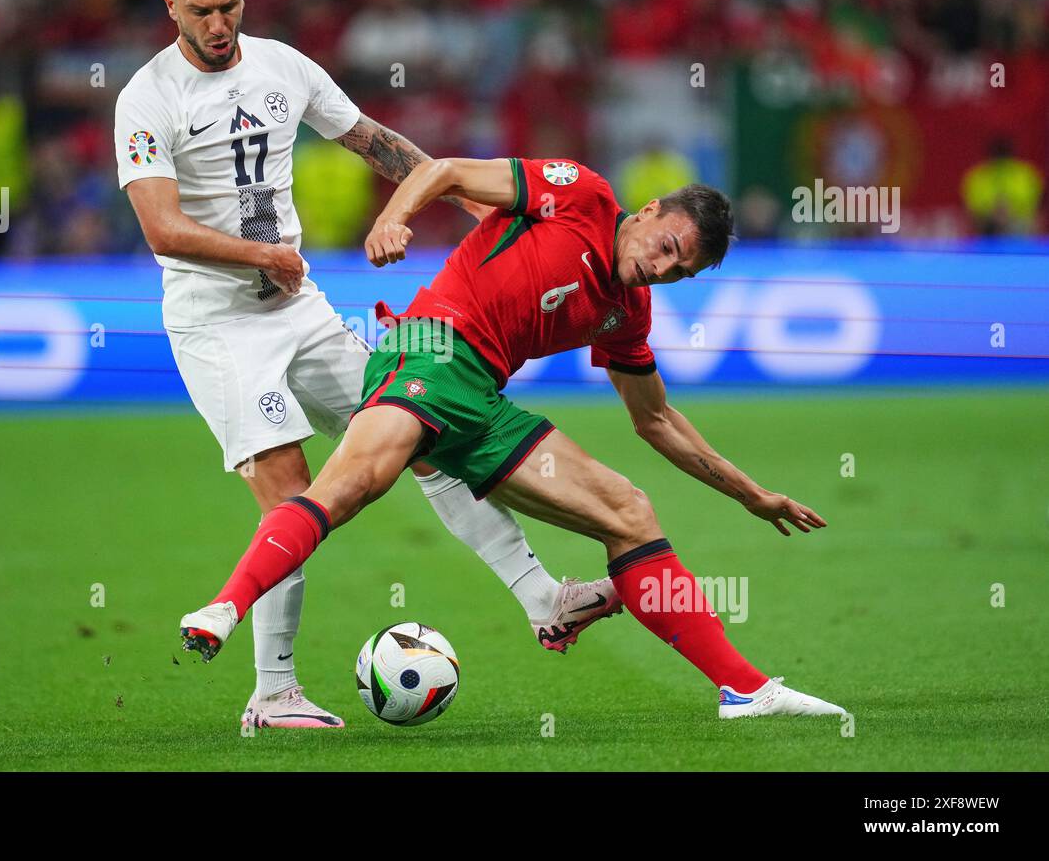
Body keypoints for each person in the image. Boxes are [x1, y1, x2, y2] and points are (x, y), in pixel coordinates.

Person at [115, 0, 616, 730]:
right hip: (217, 324)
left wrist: (463, 201)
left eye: (232, 5)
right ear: (170, 4)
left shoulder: (283, 67)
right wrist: (260, 253)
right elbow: (162, 229)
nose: (220, 23)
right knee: (291, 492)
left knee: (421, 426)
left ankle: (543, 597)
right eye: (203, 11)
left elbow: (373, 141)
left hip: (299, 308)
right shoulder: (146, 98)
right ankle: (272, 691)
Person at [181, 156, 847, 719]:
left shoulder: (626, 312)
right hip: (430, 350)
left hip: (481, 400)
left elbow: (656, 419)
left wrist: (751, 495)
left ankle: (745, 689)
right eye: (667, 248)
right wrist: (392, 220)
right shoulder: (580, 194)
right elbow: (442, 170)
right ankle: (226, 608)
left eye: (680, 274)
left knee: (630, 513)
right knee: (352, 486)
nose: (660, 269)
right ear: (646, 213)